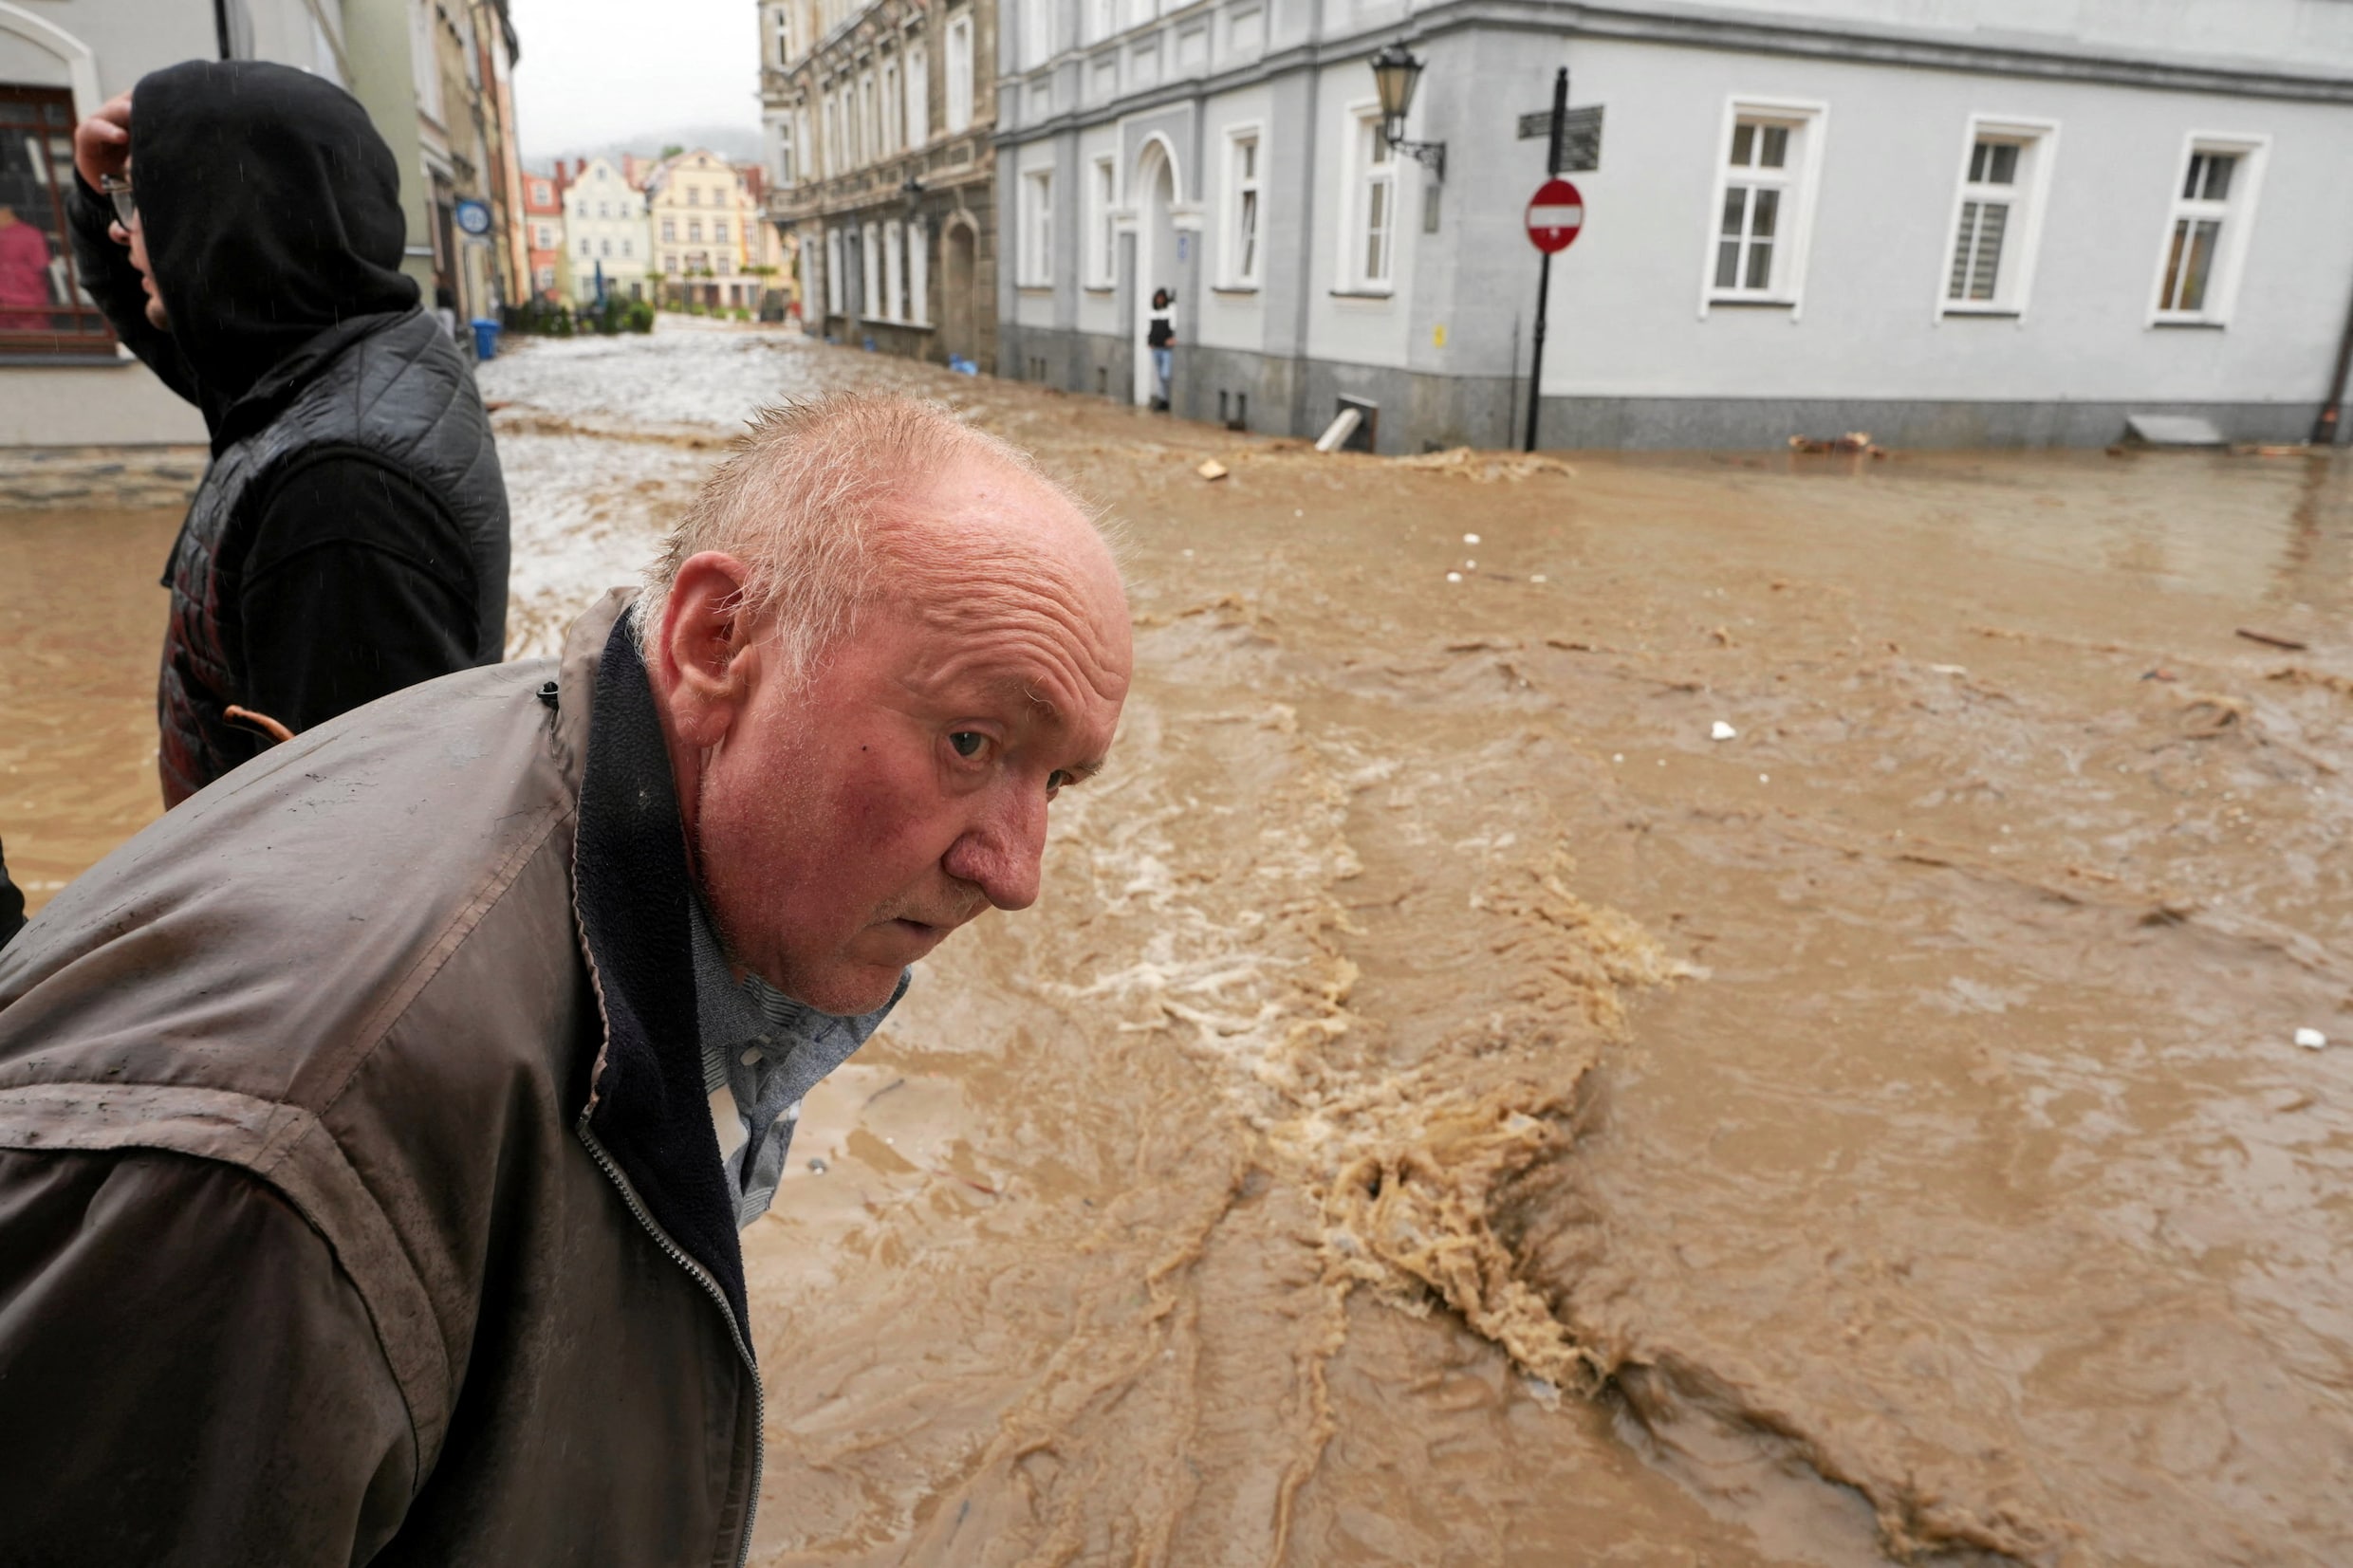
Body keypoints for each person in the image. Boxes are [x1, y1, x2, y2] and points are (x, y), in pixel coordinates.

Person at [0, 394, 1131, 1563]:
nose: (1014, 872)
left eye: (1058, 783)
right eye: (970, 743)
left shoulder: (559, 752)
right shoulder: (298, 1159)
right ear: (716, 642)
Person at [70, 61, 510, 808]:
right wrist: (91, 193)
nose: (123, 228)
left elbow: (349, 849)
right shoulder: (336, 357)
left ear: (229, 215)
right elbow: (179, 330)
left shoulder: (339, 488)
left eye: (142, 200)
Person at [1146, 286, 1176, 411]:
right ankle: (1163, 399)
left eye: (1161, 298)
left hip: (1166, 349)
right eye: (1158, 298)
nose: (1159, 300)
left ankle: (1168, 398)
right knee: (1160, 375)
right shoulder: (1152, 312)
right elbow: (1149, 328)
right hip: (1156, 347)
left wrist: (1173, 338)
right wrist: (1150, 341)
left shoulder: (1170, 311)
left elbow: (1174, 326)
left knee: (1165, 374)